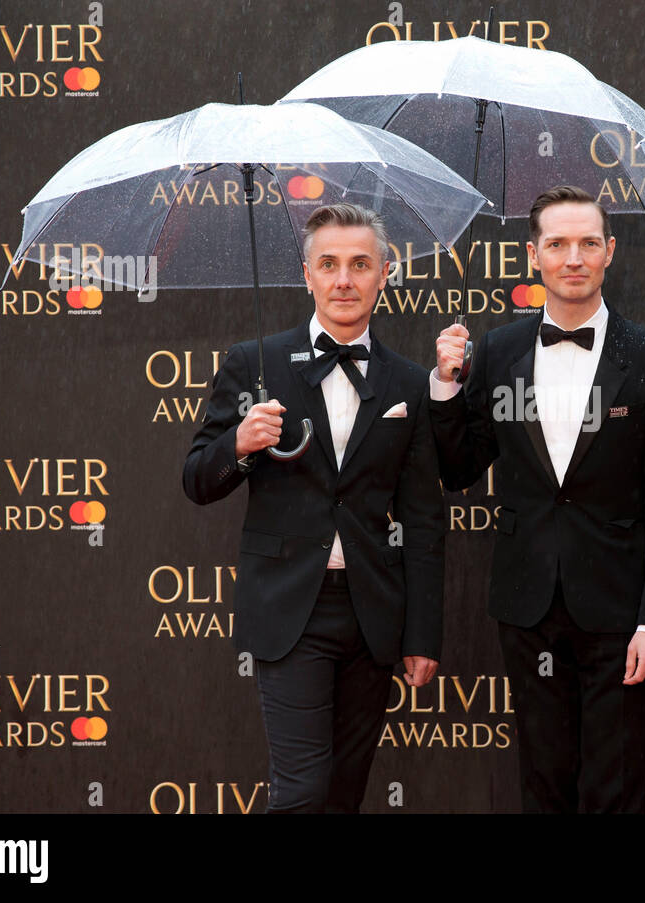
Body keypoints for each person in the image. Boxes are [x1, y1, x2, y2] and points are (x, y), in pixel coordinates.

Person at [430, 185, 645, 813]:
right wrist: (442, 385)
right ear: (534, 255)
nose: (574, 257)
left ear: (609, 252)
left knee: (616, 786)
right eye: (558, 244)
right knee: (542, 781)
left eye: (588, 243)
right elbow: (460, 468)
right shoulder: (496, 350)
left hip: (622, 608)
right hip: (527, 603)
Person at [183, 203, 444, 813]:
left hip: (374, 614)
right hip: (290, 611)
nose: (344, 279)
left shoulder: (408, 382)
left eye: (359, 264)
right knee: (302, 793)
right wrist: (240, 444)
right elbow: (198, 480)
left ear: (385, 273)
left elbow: (426, 518)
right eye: (329, 264)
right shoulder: (255, 363)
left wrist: (423, 631)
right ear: (307, 275)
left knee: (344, 795)